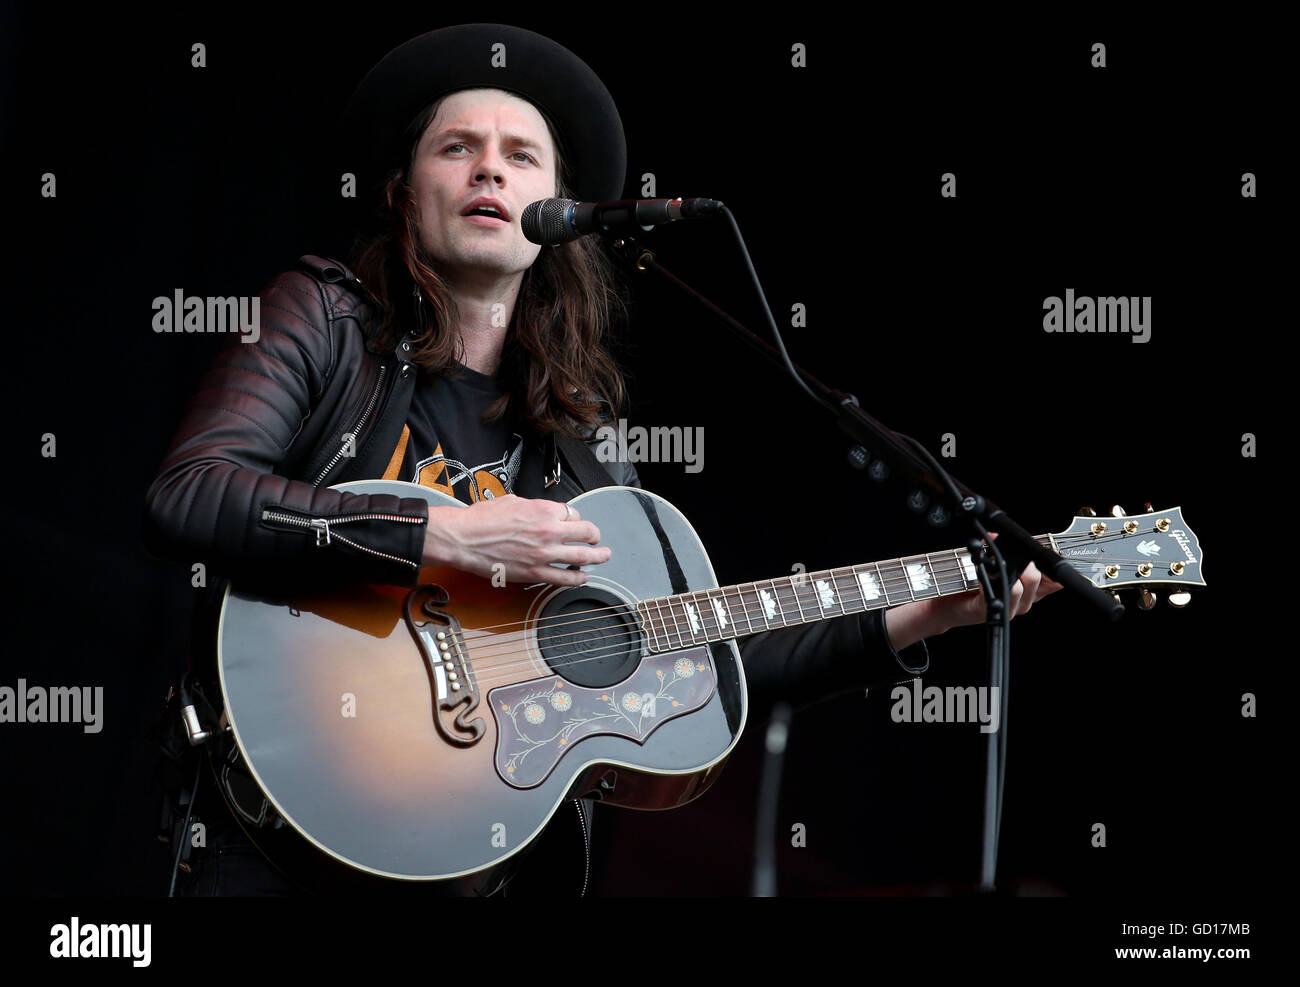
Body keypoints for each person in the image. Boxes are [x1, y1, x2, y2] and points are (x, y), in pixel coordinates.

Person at [143, 23, 1060, 897]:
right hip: (270, 841)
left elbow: (693, 650)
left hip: (477, 869)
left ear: (558, 220)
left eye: (520, 154)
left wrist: (920, 614)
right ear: (404, 192)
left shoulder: (578, 442)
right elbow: (190, 494)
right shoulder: (324, 318)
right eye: (456, 147)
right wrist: (445, 532)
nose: (490, 165)